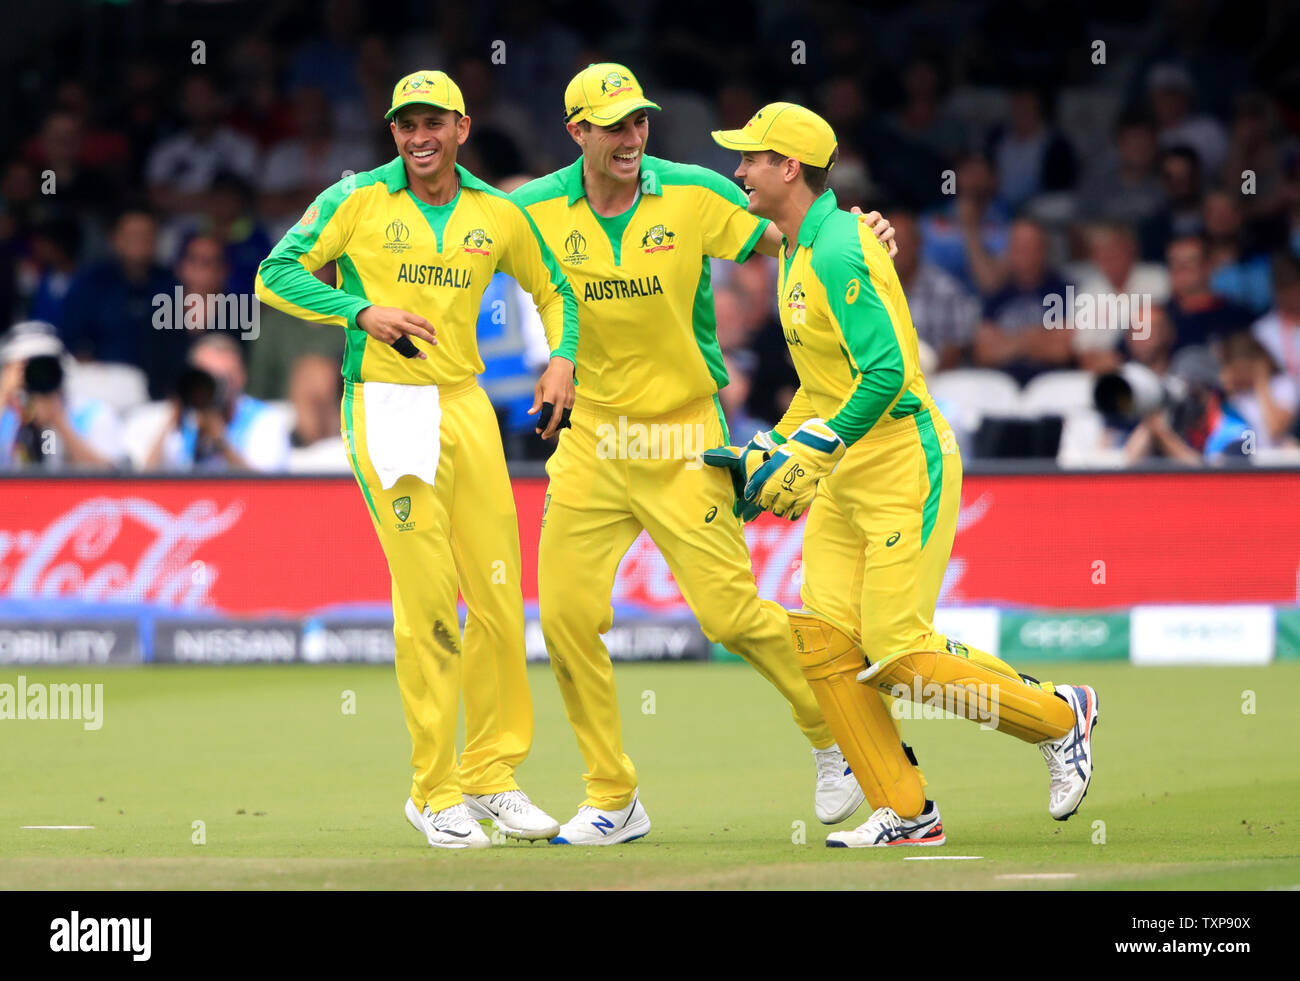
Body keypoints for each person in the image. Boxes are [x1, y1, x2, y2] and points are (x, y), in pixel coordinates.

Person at [509, 65, 899, 845]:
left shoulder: (690, 190)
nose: (632, 137)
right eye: (613, 125)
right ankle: (613, 797)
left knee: (731, 617)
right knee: (565, 620)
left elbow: (795, 233)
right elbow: (460, 245)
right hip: (592, 441)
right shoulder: (533, 208)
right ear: (577, 132)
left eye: (639, 121)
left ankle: (833, 734)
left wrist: (861, 236)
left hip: (685, 435)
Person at [709, 103, 1099, 847]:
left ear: (789, 167)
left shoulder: (836, 250)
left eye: (751, 158)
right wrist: (775, 447)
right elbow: (824, 386)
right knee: (823, 641)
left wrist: (814, 450)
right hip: (844, 473)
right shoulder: (797, 250)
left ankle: (1060, 716)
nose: (739, 170)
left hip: (903, 464)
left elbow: (886, 372)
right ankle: (907, 810)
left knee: (897, 652)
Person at [255, 70, 579, 850]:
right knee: (430, 604)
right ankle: (434, 793)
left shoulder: (496, 212)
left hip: (466, 403)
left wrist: (562, 358)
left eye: (434, 122)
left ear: (462, 128)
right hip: (387, 405)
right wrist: (359, 310)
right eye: (406, 124)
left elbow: (557, 289)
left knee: (498, 599)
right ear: (392, 131)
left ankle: (490, 774)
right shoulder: (357, 197)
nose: (419, 137)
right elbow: (274, 273)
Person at [143, 332, 290, 472]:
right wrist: (173, 419)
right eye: (204, 378)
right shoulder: (183, 419)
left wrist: (220, 441)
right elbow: (145, 479)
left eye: (222, 378)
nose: (210, 388)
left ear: (241, 377)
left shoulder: (265, 420)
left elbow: (264, 485)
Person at [0, 321, 123, 471]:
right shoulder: (5, 412)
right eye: (25, 366)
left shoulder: (92, 412)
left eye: (46, 366)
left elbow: (109, 476)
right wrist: (3, 396)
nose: (37, 373)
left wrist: (58, 421)